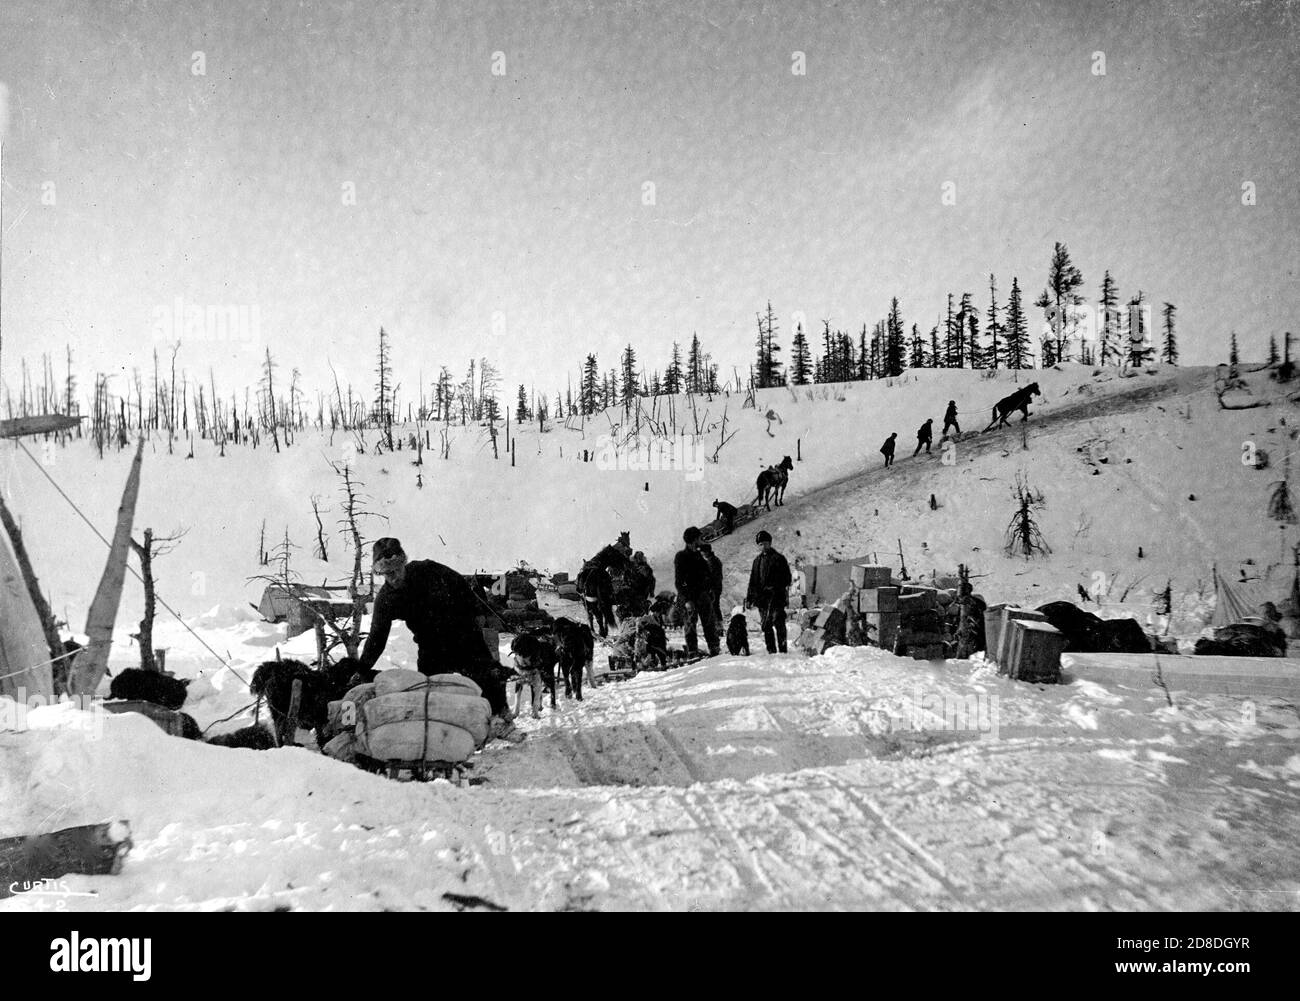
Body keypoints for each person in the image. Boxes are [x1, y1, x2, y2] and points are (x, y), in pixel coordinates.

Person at [358, 538, 523, 742]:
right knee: (430, 692)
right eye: (386, 574)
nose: (392, 577)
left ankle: (502, 721)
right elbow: (377, 637)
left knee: (486, 677)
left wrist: (474, 616)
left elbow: (462, 585)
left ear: (403, 563)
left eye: (396, 570)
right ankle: (446, 737)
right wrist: (361, 669)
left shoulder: (428, 570)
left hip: (463, 634)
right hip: (431, 646)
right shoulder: (386, 598)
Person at [674, 527, 721, 657]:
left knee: (709, 623)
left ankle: (714, 648)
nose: (701, 541)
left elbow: (708, 575)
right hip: (689, 597)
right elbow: (678, 582)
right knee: (690, 626)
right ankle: (693, 652)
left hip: (702, 595)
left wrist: (710, 591)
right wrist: (687, 600)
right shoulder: (681, 557)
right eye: (699, 538)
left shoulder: (699, 556)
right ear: (693, 540)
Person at [746, 530, 791, 654]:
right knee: (766, 625)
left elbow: (787, 578)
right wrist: (749, 597)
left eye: (765, 543)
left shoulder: (779, 559)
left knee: (778, 622)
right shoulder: (757, 561)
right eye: (760, 544)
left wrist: (775, 587)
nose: (763, 546)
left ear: (770, 543)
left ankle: (783, 650)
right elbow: (753, 581)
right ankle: (771, 650)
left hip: (776, 597)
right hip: (762, 599)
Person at [698, 541, 724, 630]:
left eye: (702, 551)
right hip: (714, 588)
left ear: (706, 551)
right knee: (714, 606)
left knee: (714, 606)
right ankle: (718, 626)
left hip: (713, 588)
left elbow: (712, 577)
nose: (701, 553)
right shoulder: (711, 560)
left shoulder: (712, 561)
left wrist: (709, 588)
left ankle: (719, 627)